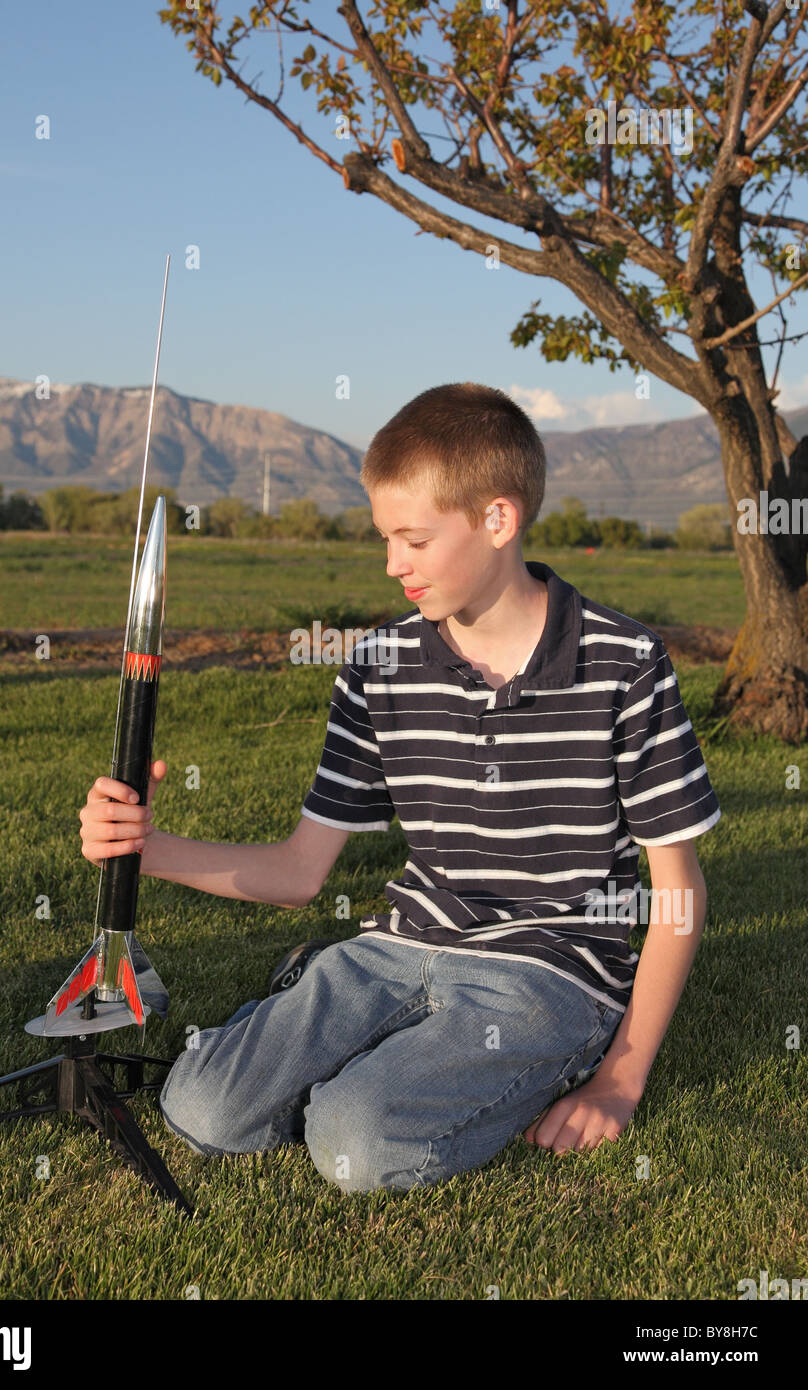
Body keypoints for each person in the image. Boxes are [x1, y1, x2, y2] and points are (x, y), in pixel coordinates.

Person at [78, 382, 721, 1194]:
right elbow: (301, 871)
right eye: (384, 538)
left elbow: (678, 893)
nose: (392, 565)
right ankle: (340, 1021)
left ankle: (521, 1062)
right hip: (396, 946)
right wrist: (143, 848)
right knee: (202, 1106)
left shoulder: (624, 662)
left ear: (497, 519)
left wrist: (621, 1080)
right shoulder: (377, 667)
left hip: (549, 973)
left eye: (412, 539)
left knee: (358, 1143)